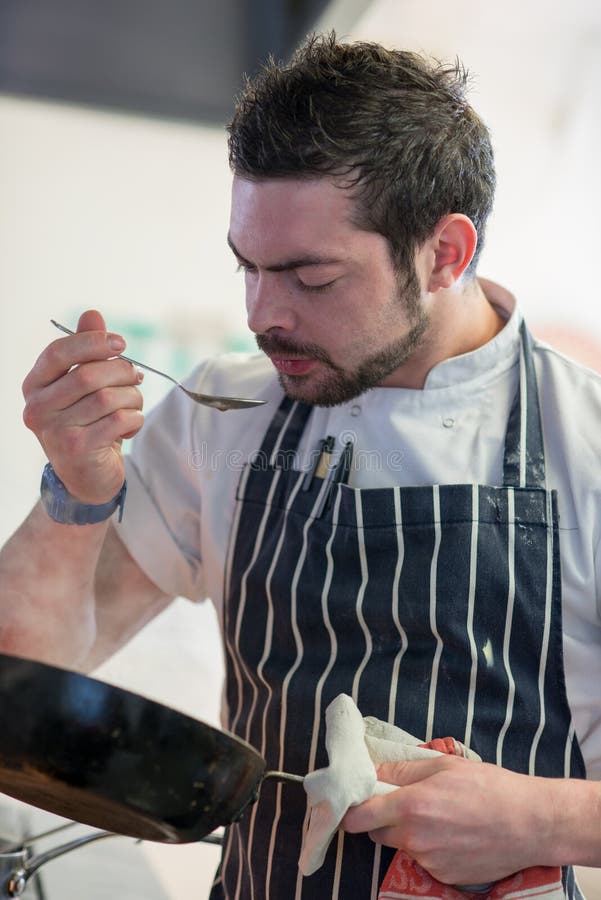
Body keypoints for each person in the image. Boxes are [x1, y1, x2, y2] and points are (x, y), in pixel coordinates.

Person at [1, 31, 600, 900]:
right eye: (247, 267)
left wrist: (538, 821)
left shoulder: (581, 442)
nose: (262, 314)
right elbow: (25, 681)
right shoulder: (223, 417)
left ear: (446, 253)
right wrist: (76, 494)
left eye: (310, 279)